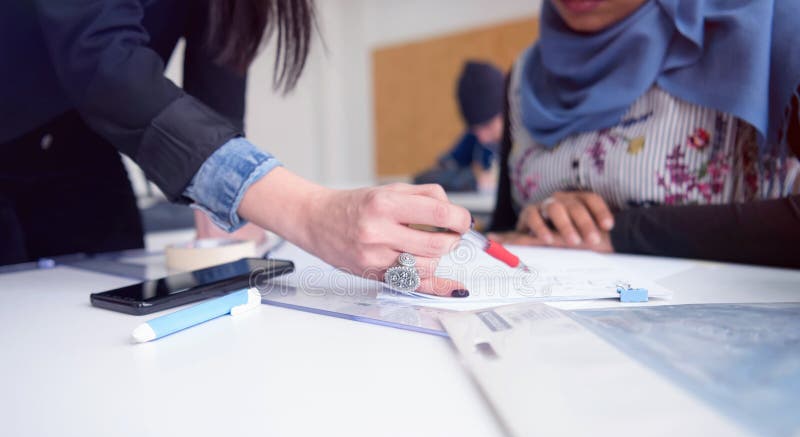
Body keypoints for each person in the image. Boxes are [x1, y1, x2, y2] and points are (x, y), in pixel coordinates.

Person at [0, 0, 472, 296]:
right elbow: (99, 57)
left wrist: (228, 224)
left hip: (80, 152)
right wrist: (310, 212)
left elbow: (217, 113)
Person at [490, 0, 800, 268]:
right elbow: (503, 229)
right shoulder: (524, 78)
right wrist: (546, 224)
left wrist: (623, 231)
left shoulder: (768, 31)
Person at [414, 61, 504, 193]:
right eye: (475, 129)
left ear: (506, 110)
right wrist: (474, 180)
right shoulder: (474, 139)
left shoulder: (525, 138)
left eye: (488, 126)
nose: (483, 138)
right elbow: (426, 178)